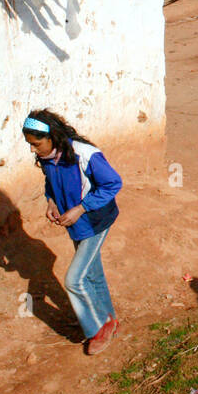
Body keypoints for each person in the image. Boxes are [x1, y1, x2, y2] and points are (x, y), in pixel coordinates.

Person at [23, 110, 123, 356]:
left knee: (74, 280)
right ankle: (110, 320)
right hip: (77, 225)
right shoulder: (47, 157)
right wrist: (51, 201)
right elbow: (50, 182)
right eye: (30, 145)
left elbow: (113, 183)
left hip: (95, 222)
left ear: (52, 137)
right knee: (93, 274)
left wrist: (81, 208)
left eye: (36, 144)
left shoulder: (84, 154)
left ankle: (97, 329)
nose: (33, 149)